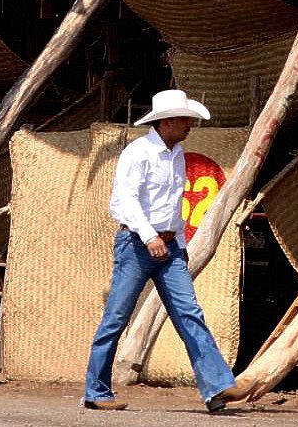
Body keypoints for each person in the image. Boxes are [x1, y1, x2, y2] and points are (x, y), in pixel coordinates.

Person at [84, 90, 252, 412]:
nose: (190, 125)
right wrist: (150, 237)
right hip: (137, 243)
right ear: (169, 121)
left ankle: (216, 388)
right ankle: (96, 390)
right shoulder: (139, 152)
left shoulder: (177, 154)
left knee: (190, 313)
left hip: (170, 245)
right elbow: (124, 202)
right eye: (186, 119)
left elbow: (174, 207)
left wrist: (181, 246)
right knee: (117, 318)